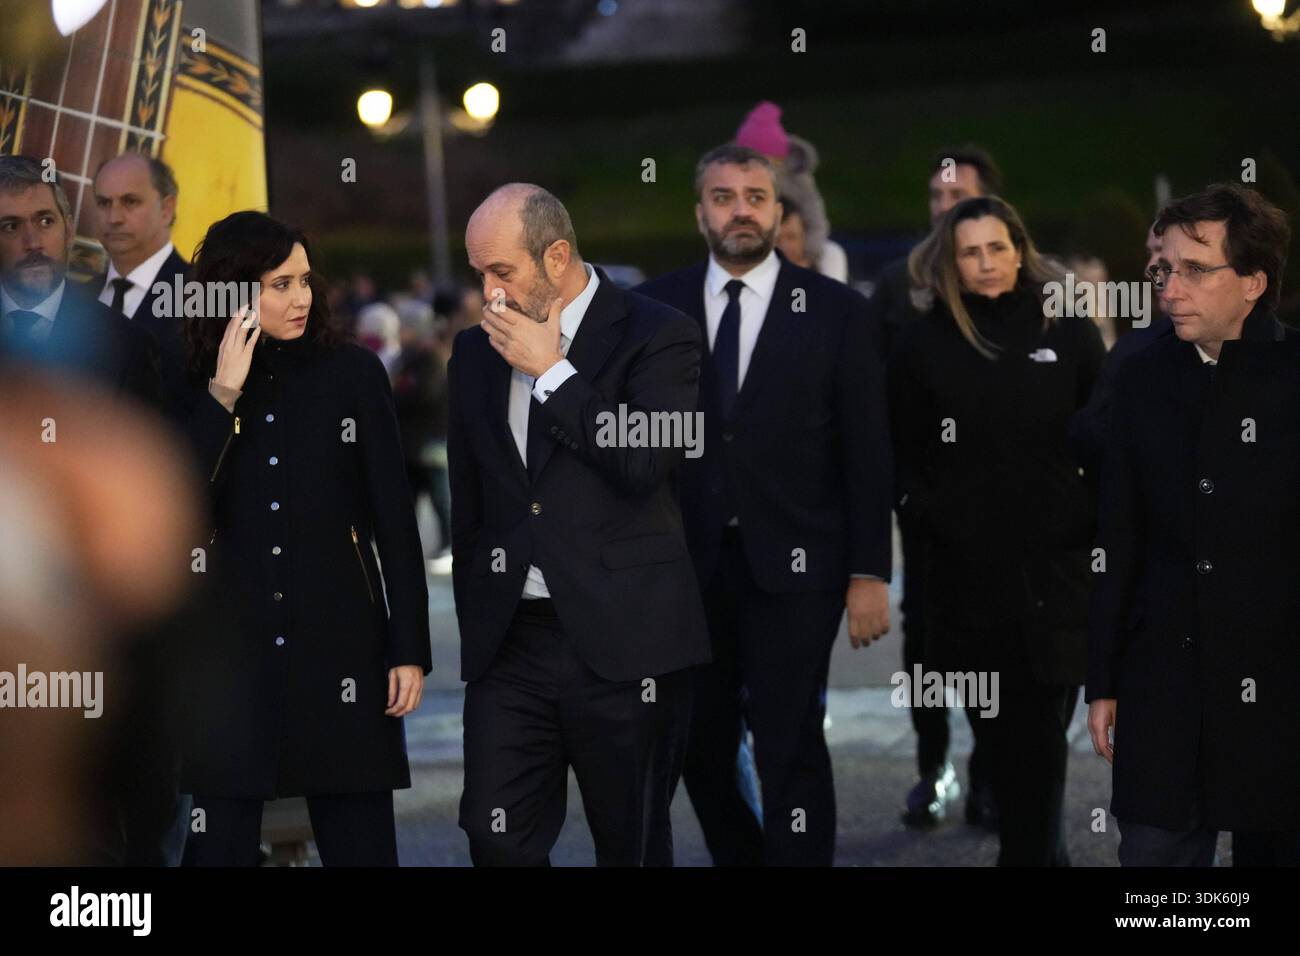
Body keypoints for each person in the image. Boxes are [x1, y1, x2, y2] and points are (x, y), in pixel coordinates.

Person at [638, 145, 892, 866]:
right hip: (686, 572)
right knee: (700, 744)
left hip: (799, 568)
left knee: (790, 740)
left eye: (755, 195)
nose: (740, 209)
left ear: (780, 212)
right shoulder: (655, 309)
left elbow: (868, 454)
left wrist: (870, 573)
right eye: (723, 196)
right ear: (699, 213)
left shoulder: (839, 313)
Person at [449, 183, 710, 866]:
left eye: (501, 271)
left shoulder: (660, 335)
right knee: (493, 836)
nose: (489, 292)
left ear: (557, 256)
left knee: (632, 845)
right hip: (513, 644)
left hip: (628, 644)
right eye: (479, 273)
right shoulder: (475, 352)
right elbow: (471, 502)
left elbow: (643, 462)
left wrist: (552, 373)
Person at [178, 211, 430, 866]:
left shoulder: (351, 373)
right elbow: (171, 513)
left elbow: (395, 520)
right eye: (279, 284)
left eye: (304, 281)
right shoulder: (189, 379)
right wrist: (221, 396)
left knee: (362, 850)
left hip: (342, 654)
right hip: (230, 666)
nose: (301, 298)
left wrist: (408, 648)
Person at [1087, 183, 1300, 867]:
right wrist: (1104, 681)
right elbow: (1117, 537)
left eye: (1194, 270)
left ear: (1252, 282)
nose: (1169, 288)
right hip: (1162, 684)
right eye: (1164, 270)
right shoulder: (1140, 376)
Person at [889, 195, 1104, 866]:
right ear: (950, 263)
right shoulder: (924, 343)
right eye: (970, 252)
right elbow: (903, 457)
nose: (986, 263)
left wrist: (1081, 525)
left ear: (1021, 248)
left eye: (997, 248)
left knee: (1039, 751)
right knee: (1008, 752)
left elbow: (1103, 440)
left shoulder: (1065, 329)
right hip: (968, 594)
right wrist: (940, 518)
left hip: (1058, 590)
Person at [870, 144, 1004, 830]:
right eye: (935, 200)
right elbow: (876, 393)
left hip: (1000, 508)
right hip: (922, 505)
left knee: (992, 644)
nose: (941, 210)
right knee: (924, 643)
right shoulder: (899, 283)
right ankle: (932, 768)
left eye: (955, 199)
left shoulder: (1010, 283)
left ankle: (988, 774)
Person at [0, 155, 161, 408]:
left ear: (69, 231)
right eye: (11, 226)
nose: (33, 242)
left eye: (45, 221)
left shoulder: (127, 347)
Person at [93, 153, 190, 417]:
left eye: (130, 202)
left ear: (166, 209)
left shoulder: (206, 299)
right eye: (103, 203)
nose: (114, 218)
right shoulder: (77, 297)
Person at [735, 101, 849, 282]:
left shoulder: (798, 180)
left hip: (801, 254)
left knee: (831, 253)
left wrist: (809, 254)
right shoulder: (732, 186)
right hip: (754, 257)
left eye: (769, 162)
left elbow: (815, 218)